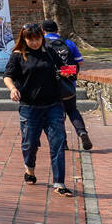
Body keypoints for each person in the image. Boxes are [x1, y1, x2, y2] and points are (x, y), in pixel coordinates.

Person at [4, 24, 72, 197]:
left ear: (42, 37)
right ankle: (30, 169)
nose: (34, 42)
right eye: (30, 39)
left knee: (57, 143)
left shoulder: (49, 52)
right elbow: (8, 76)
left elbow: (64, 68)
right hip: (29, 107)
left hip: (53, 105)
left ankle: (59, 182)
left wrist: (67, 72)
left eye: (37, 38)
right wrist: (12, 88)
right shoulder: (18, 56)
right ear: (24, 39)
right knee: (30, 143)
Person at [42, 19, 91, 150]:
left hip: (51, 87)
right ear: (57, 30)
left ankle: (63, 143)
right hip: (69, 86)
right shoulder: (68, 43)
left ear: (43, 31)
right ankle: (82, 132)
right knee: (72, 110)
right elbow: (79, 63)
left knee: (57, 116)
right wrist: (65, 71)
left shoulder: (42, 45)